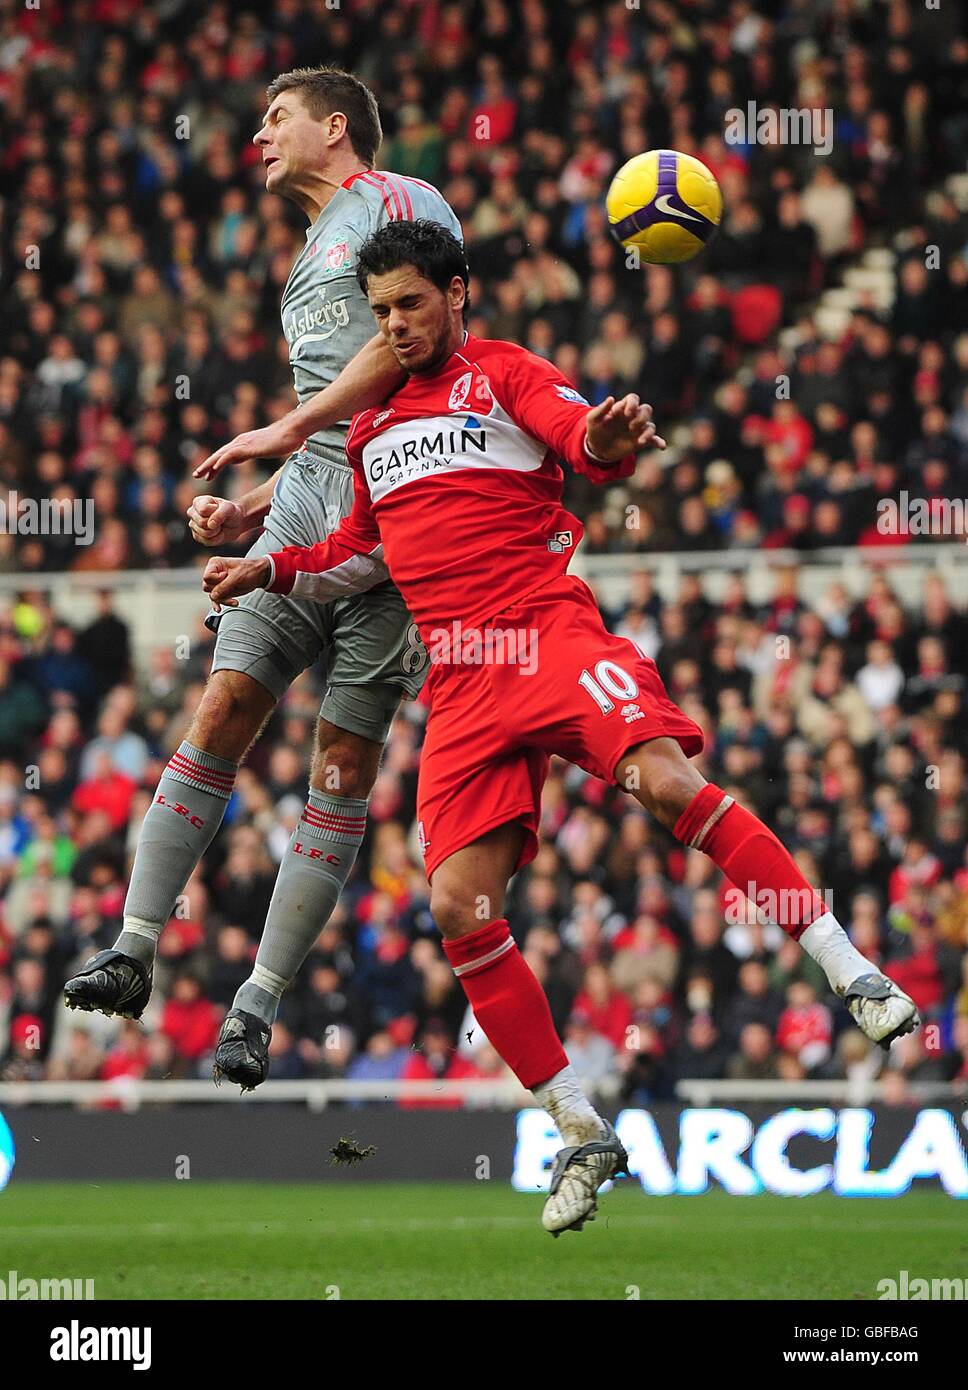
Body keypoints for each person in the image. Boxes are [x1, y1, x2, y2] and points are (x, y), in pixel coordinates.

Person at [203, 220, 920, 1235]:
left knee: (666, 785)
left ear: (457, 293)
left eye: (411, 304)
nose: (396, 326)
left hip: (543, 637)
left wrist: (608, 441)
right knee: (456, 906)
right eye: (381, 313)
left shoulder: (504, 373)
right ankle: (577, 1123)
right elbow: (361, 551)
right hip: (455, 684)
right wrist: (264, 567)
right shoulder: (367, 430)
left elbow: (581, 438)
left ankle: (848, 968)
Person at [62, 67, 463, 1089]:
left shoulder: (396, 203)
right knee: (225, 704)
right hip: (306, 498)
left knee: (338, 766)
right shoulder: (308, 251)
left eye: (275, 119)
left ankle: (256, 1004)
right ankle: (134, 945)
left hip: (403, 508)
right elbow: (332, 409)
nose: (256, 138)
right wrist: (257, 500)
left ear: (336, 128)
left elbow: (408, 347)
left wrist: (288, 426)